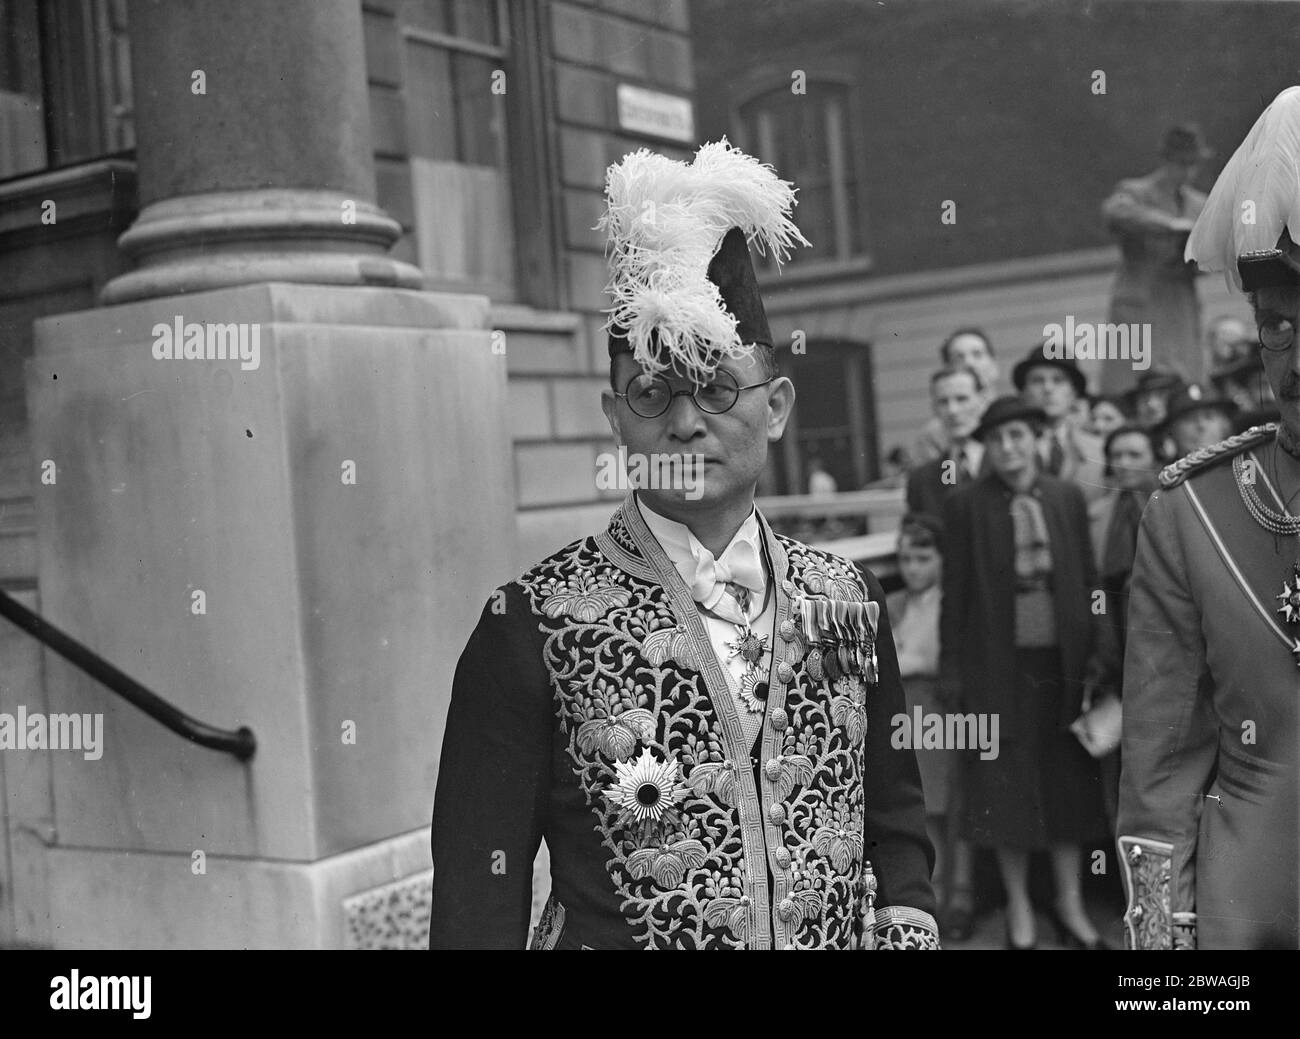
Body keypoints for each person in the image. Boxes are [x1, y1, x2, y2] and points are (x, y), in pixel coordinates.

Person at [429, 140, 938, 950]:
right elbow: (477, 889)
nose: (686, 420)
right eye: (653, 392)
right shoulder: (531, 625)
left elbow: (896, 814)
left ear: (775, 407)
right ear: (616, 416)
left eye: (717, 386)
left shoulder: (846, 599)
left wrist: (906, 919)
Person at [1118, 86, 1300, 950]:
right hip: (1249, 912)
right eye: (1277, 327)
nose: (1296, 361)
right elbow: (1161, 767)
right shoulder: (1194, 511)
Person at [941, 395, 1111, 950]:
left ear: (1037, 438)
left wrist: (1098, 654)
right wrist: (954, 677)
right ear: (986, 447)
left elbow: (1089, 584)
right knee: (1006, 788)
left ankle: (1069, 902)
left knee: (1066, 786)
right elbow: (956, 597)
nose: (1008, 449)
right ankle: (1017, 907)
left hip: (1061, 666)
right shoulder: (968, 504)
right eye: (996, 439)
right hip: (999, 670)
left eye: (1017, 436)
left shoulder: (1064, 498)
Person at [885, 513, 972, 939]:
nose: (912, 568)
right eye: (905, 558)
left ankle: (959, 896)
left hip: (940, 712)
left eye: (922, 558)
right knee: (921, 809)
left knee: (948, 807)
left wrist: (912, 661)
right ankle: (930, 897)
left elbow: (939, 657)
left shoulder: (949, 602)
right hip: (905, 714)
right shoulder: (895, 603)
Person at [1099, 124, 1212, 392]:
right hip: (1140, 303)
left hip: (1179, 303)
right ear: (1165, 161)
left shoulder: (1200, 203)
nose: (1186, 172)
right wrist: (1171, 225)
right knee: (1131, 385)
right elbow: (1115, 213)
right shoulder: (1135, 191)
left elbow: (1209, 255)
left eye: (1192, 164)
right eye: (1179, 163)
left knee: (1185, 384)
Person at [1087, 425, 1161, 832]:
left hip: (1165, 643)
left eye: (1135, 454)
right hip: (1117, 645)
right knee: (1121, 769)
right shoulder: (1098, 515)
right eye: (1118, 455)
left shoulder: (1173, 503)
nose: (1126, 463)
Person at [1012, 343, 1107, 501]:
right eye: (1037, 381)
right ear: (1024, 392)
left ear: (1073, 392)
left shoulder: (1099, 451)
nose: (1048, 388)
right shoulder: (1006, 448)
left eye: (1058, 380)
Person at [906, 365, 989, 518]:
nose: (952, 411)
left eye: (962, 399)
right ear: (934, 408)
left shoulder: (1007, 464)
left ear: (982, 401)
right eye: (943, 402)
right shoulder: (922, 480)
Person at [912, 329, 999, 464]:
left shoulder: (1018, 417)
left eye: (977, 354)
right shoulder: (933, 435)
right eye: (959, 357)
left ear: (994, 365)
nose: (969, 363)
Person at [1160, 383, 1238, 458]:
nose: (1201, 425)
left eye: (1209, 416)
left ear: (1224, 423)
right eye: (1190, 419)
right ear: (1172, 430)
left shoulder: (1244, 464)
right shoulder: (1164, 471)